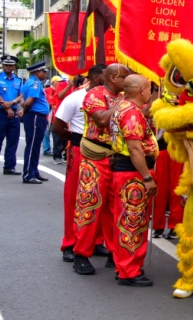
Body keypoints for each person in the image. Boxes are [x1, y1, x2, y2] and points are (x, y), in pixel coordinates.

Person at [72, 63, 131, 276]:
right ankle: (81, 254)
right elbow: (102, 119)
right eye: (125, 78)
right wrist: (125, 103)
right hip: (95, 157)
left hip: (117, 158)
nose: (128, 82)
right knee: (90, 205)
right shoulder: (95, 94)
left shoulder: (123, 96)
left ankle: (115, 253)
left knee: (116, 209)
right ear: (113, 78)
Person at [108, 74, 158, 287]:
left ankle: (124, 266)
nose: (150, 93)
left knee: (126, 220)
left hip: (125, 171)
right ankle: (128, 271)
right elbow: (135, 148)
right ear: (142, 91)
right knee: (132, 221)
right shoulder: (131, 113)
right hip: (132, 174)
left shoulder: (122, 107)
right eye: (149, 89)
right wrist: (147, 176)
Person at [53, 71, 96, 261]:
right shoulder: (75, 97)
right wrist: (76, 139)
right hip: (79, 150)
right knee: (74, 196)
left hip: (105, 152)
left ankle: (97, 241)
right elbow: (57, 127)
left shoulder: (114, 99)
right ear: (96, 78)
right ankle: (70, 242)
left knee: (100, 198)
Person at [0, 55, 23, 175]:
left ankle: (9, 166)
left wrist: (12, 104)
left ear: (14, 66)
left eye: (11, 65)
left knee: (13, 140)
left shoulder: (18, 80)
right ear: (2, 65)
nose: (8, 67)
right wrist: (7, 108)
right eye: (6, 65)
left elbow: (21, 95)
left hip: (13, 113)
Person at [20, 62, 51, 184]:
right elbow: (28, 102)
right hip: (35, 117)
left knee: (35, 146)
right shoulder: (35, 84)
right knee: (33, 146)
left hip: (36, 117)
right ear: (37, 72)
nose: (46, 74)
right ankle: (28, 174)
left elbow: (23, 100)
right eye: (44, 72)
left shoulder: (31, 82)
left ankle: (34, 171)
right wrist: (24, 111)